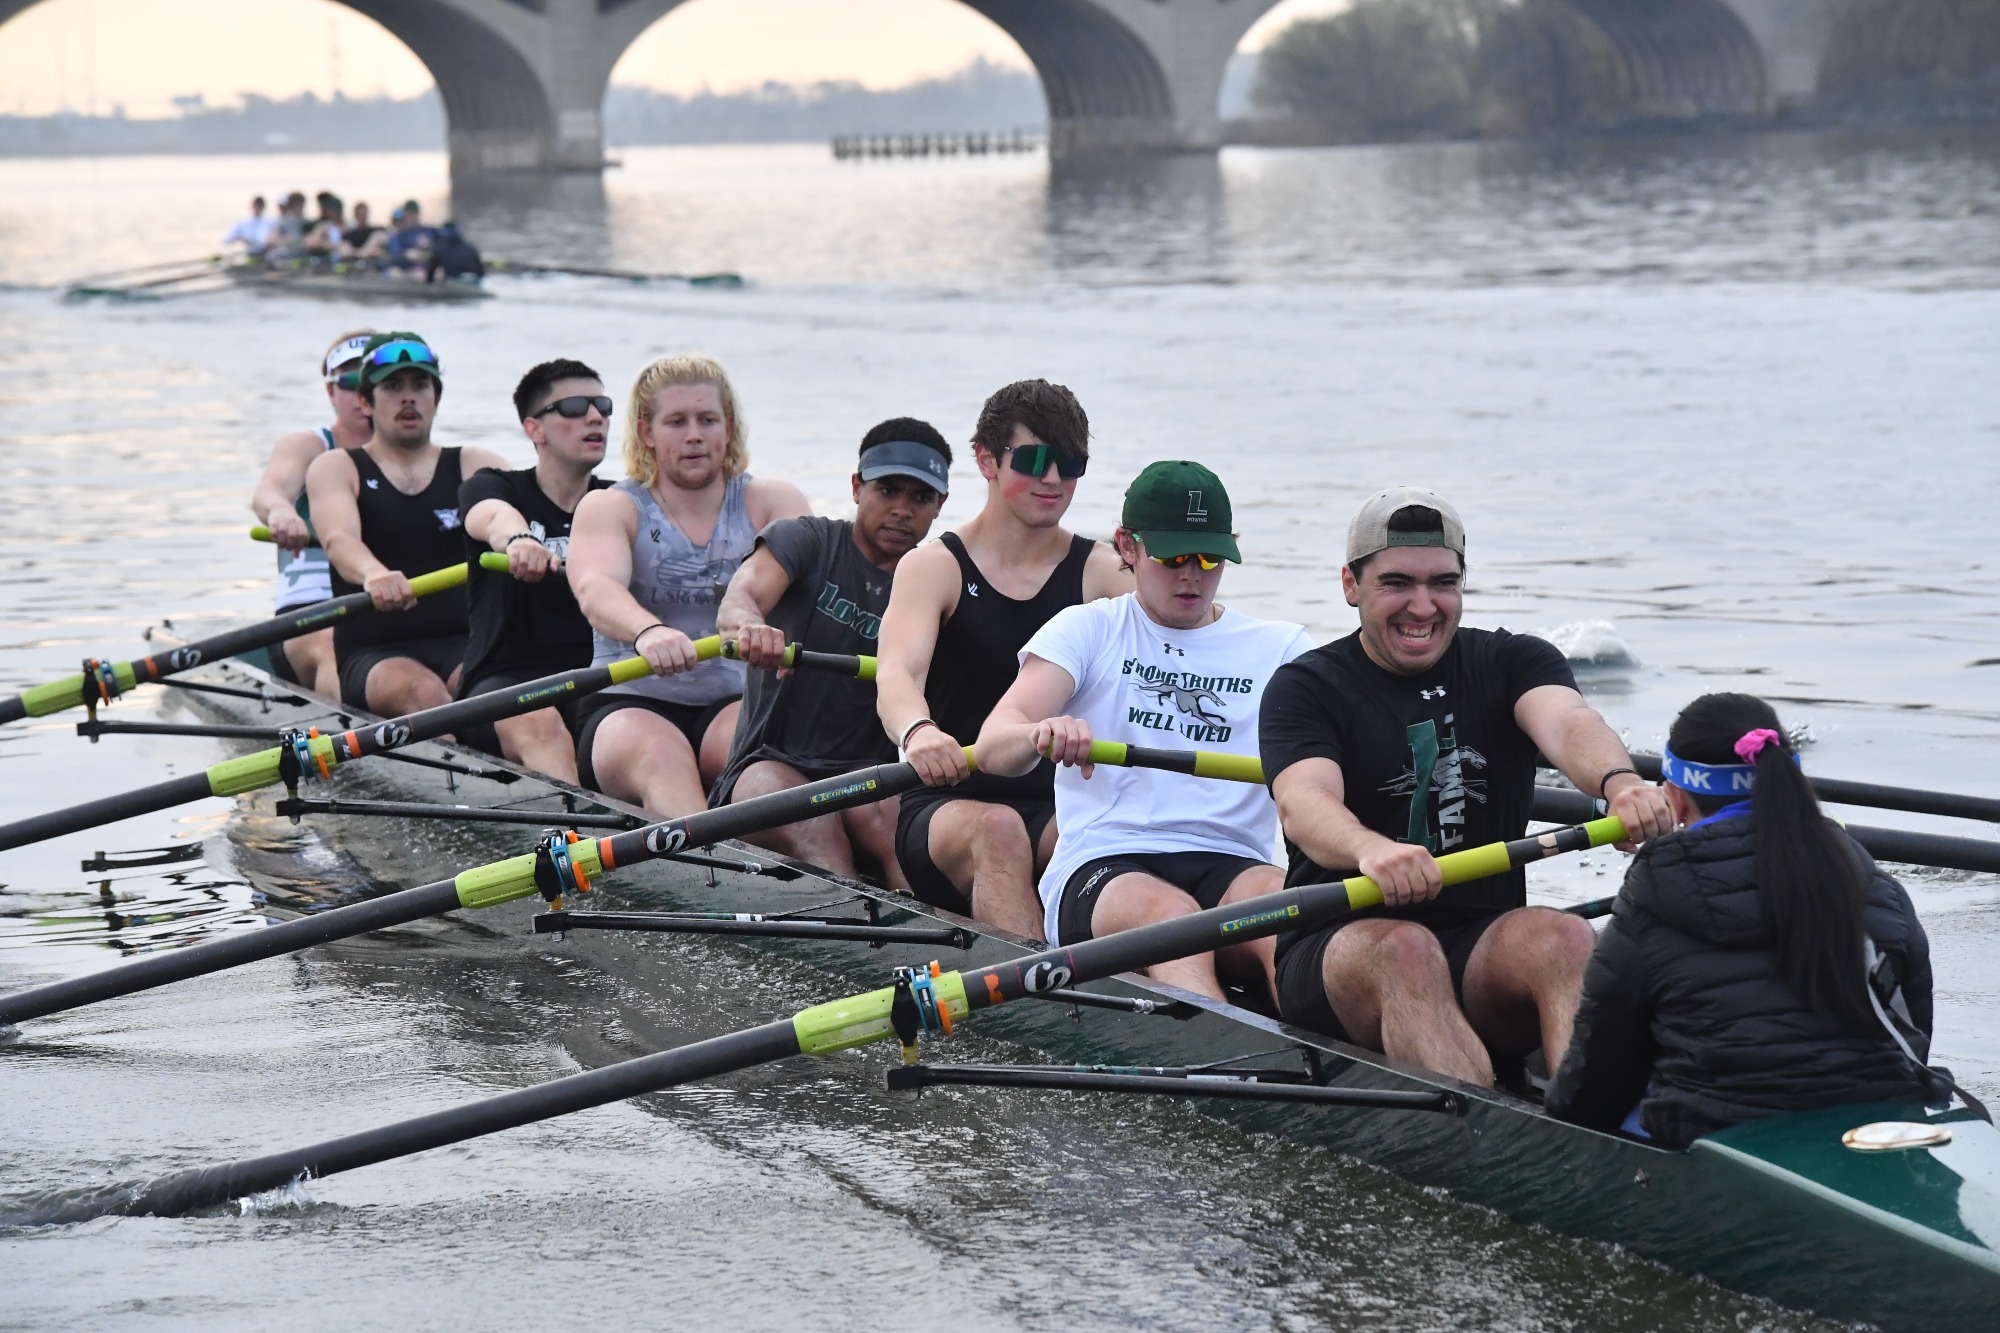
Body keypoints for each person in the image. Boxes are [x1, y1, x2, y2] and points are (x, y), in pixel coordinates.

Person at [1260, 488, 1674, 1087]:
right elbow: (1304, 802)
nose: (1423, 607)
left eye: (1443, 583)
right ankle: (1488, 1146)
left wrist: (1622, 784)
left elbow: (1568, 723)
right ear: (1351, 585)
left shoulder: (1513, 661)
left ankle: (1605, 1131)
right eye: (1397, 583)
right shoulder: (1306, 687)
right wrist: (1368, 850)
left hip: (1479, 942)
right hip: (1340, 945)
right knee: (1407, 951)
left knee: (1565, 938)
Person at [976, 462, 1313, 997]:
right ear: (1127, 547)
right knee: (1173, 917)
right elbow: (996, 744)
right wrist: (1042, 733)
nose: (1193, 575)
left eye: (1209, 557)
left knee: (1288, 911)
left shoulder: (1282, 649)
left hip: (1233, 863)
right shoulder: (1089, 628)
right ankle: (1219, 1065)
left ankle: (1325, 1054)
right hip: (1106, 860)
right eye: (1174, 557)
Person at [1548, 694, 1937, 1146]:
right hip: (1882, 1123)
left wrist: (1554, 1113)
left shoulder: (1652, 896)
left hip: (1719, 1138)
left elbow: (1597, 1083)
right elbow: (1915, 1042)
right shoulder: (1874, 883)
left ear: (1673, 798)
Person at [876, 379, 1130, 941]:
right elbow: (897, 674)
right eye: (1035, 460)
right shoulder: (934, 567)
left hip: (1058, 804)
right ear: (986, 459)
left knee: (1120, 845)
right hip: (949, 799)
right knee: (999, 828)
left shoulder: (1105, 573)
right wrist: (919, 732)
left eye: (1070, 463)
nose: (1053, 479)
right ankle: (1043, 1001)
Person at [568, 355, 810, 816]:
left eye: (707, 420)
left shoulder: (772, 501)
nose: (694, 435)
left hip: (734, 698)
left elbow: (823, 589)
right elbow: (595, 588)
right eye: (676, 422)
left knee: (760, 762)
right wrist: (648, 632)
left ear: (729, 427)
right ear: (646, 433)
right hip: (630, 700)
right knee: (662, 757)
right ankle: (705, 872)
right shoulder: (612, 507)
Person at [713, 418, 951, 884]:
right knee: (814, 824)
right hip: (768, 763)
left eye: (920, 498)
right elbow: (740, 599)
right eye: (888, 490)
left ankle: (943, 939)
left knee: (905, 840)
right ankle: (854, 938)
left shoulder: (938, 577)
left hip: (871, 775)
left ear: (940, 505)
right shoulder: (806, 540)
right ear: (858, 487)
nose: (902, 510)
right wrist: (749, 627)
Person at [305, 333, 506, 716]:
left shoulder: (475, 462)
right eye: (393, 387)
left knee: (502, 700)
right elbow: (338, 539)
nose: (408, 397)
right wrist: (373, 573)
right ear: (366, 402)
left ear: (437, 398)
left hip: (466, 642)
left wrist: (522, 541)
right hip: (374, 651)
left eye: (420, 385)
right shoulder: (337, 467)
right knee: (425, 695)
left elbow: (509, 516)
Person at [455, 359, 615, 780]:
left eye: (603, 405)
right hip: (502, 683)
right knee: (540, 722)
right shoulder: (494, 485)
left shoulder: (621, 502)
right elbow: (490, 517)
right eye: (576, 407)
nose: (596, 416)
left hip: (595, 678)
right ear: (535, 429)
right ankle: (578, 836)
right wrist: (519, 540)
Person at [247, 330, 376, 696]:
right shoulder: (308, 446)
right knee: (335, 645)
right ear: (330, 392)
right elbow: (269, 490)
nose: (362, 392)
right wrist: (280, 511)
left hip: (389, 602)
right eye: (350, 381)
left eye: (372, 380)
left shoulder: (423, 458)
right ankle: (351, 747)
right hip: (311, 610)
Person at [384, 201, 435, 275]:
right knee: (394, 272)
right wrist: (406, 254)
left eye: (413, 214)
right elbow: (393, 255)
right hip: (406, 270)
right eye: (408, 214)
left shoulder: (428, 231)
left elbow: (436, 250)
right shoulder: (400, 234)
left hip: (425, 269)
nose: (411, 217)